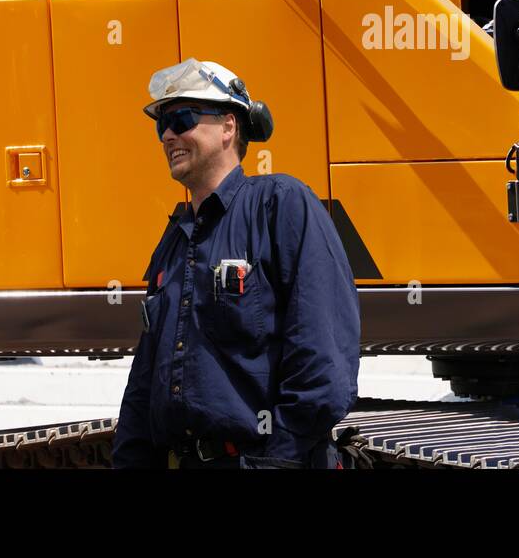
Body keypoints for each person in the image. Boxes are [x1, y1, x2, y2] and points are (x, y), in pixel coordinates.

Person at [113, 59, 360, 469]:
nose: (169, 135)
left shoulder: (280, 204)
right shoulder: (174, 240)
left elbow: (322, 360)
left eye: (182, 119)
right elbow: (145, 378)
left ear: (229, 126)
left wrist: (277, 458)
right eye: (162, 126)